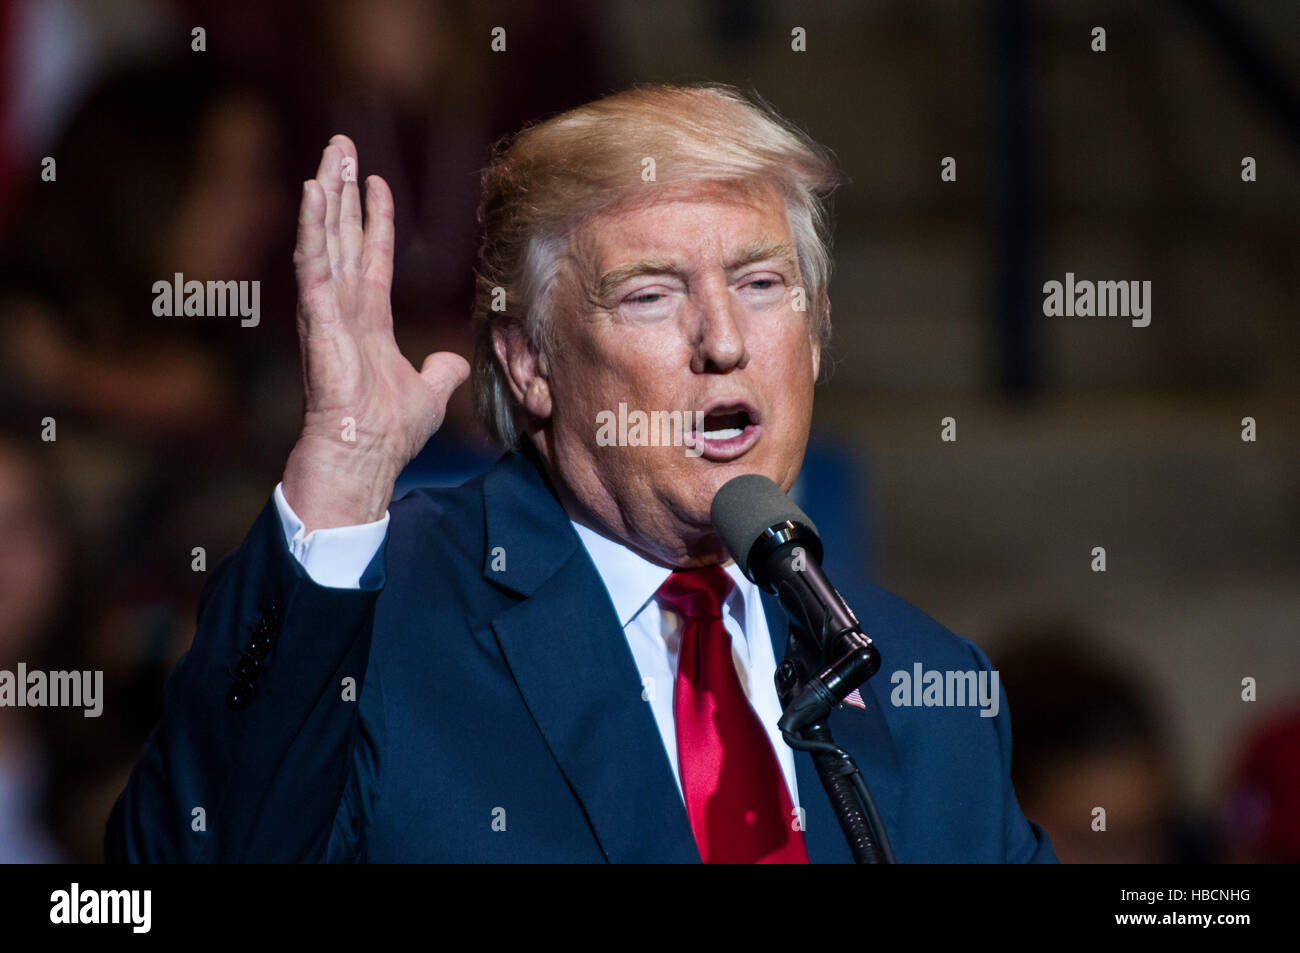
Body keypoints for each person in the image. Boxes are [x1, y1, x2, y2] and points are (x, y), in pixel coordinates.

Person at [106, 84, 1055, 863]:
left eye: (762, 285)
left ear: (817, 338)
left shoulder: (928, 687)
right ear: (529, 362)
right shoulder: (378, 628)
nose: (723, 340)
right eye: (650, 294)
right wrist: (343, 476)